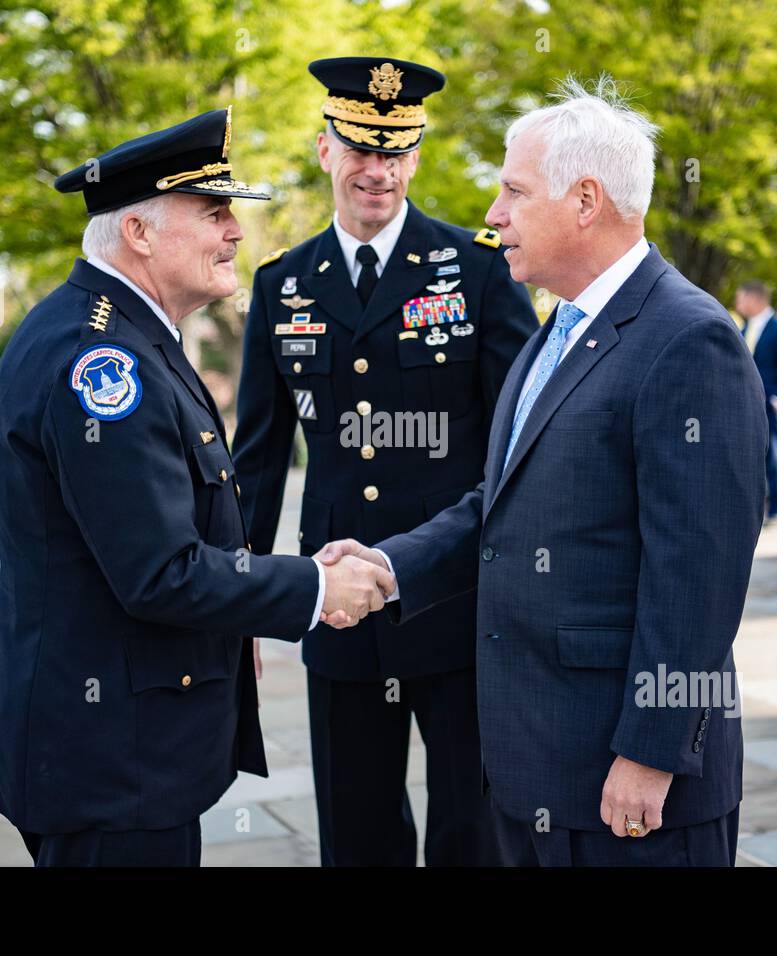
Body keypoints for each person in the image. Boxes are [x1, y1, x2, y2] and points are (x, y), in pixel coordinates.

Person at [318, 77, 767, 866]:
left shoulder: (687, 339)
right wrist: (390, 565)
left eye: (514, 192)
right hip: (538, 773)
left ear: (585, 201)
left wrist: (653, 753)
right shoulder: (558, 329)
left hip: (625, 789)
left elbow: (700, 573)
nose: (493, 215)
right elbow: (503, 504)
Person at [0, 108, 393, 867]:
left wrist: (249, 605)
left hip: (117, 749)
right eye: (213, 212)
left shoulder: (121, 333)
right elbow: (160, 571)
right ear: (138, 233)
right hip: (113, 763)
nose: (235, 231)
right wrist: (312, 588)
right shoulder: (105, 365)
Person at [233, 57, 535, 866]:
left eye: (396, 151)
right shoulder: (282, 284)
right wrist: (244, 604)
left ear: (417, 157)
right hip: (337, 604)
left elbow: (522, 440)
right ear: (326, 151)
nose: (379, 171)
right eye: (361, 149)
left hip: (459, 597)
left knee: (474, 832)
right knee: (356, 829)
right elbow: (257, 460)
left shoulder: (479, 267)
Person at [734, 281, 777, 524]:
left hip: (769, 403)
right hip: (744, 403)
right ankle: (757, 505)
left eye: (741, 299)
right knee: (749, 456)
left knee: (774, 455)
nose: (738, 304)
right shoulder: (742, 329)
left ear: (755, 299)